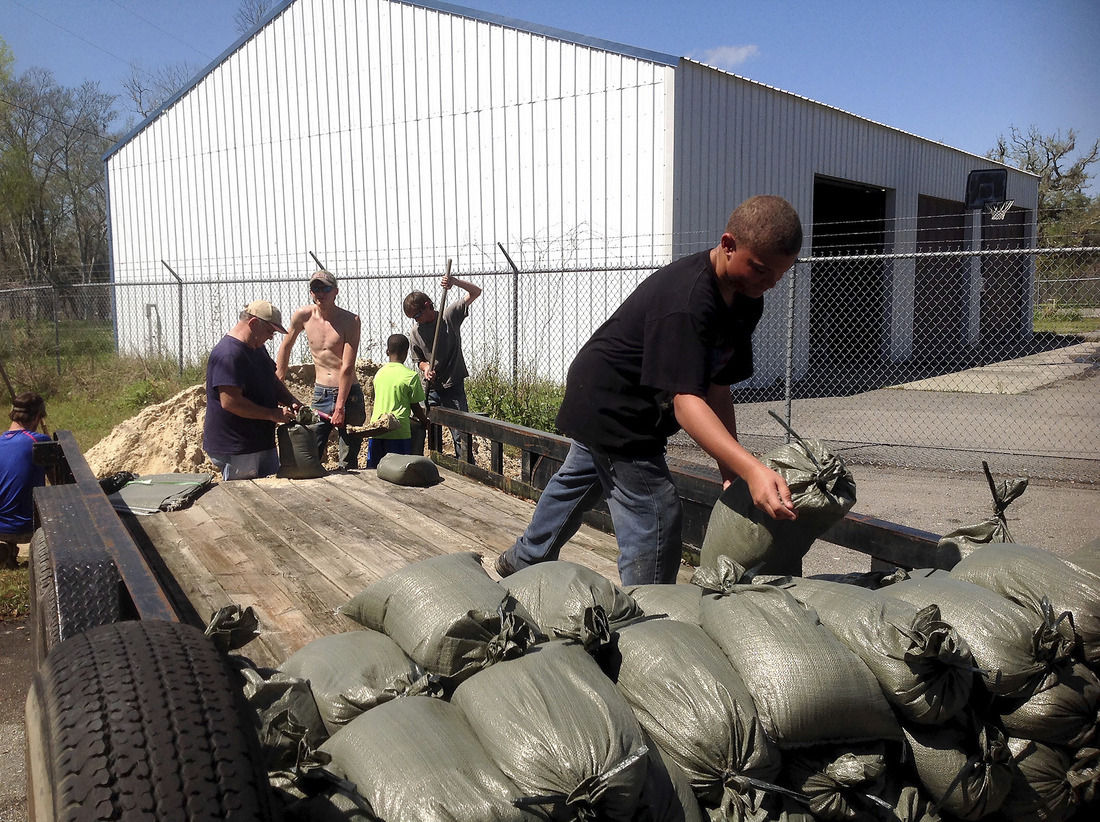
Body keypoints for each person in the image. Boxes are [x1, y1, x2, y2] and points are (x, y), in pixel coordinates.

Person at [495, 195, 804, 586]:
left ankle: (524, 559)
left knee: (577, 482)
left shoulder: (747, 299)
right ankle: (647, 618)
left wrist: (732, 472)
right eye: (761, 270)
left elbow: (717, 388)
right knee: (655, 513)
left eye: (780, 274)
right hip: (613, 403)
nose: (770, 283)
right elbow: (687, 405)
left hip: (614, 394)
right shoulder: (689, 301)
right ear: (728, 245)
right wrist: (753, 470)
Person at [277, 270, 367, 470]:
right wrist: (278, 383)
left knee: (349, 460)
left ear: (335, 291)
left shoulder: (350, 320)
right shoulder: (303, 316)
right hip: (321, 393)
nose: (320, 293)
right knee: (310, 453)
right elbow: (285, 346)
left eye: (325, 288)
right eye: (315, 288)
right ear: (310, 292)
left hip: (348, 395)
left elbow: (347, 365)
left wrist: (340, 407)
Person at [204, 300, 299, 480]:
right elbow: (231, 402)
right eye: (270, 331)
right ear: (253, 323)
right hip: (238, 447)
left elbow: (271, 379)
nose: (271, 337)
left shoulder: (256, 347)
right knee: (245, 502)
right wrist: (273, 414)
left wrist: (291, 400)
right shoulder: (229, 354)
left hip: (260, 444)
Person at [404, 271, 481, 459]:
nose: (417, 320)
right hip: (431, 388)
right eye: (414, 318)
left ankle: (466, 468)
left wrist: (455, 282)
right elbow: (419, 360)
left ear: (428, 305)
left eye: (418, 315)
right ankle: (432, 463)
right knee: (429, 430)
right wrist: (426, 368)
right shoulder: (415, 332)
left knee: (460, 433)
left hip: (453, 385)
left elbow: (476, 292)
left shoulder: (449, 317)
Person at [0, 393, 50, 568]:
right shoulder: (39, 442)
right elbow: (61, 483)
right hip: (28, 527)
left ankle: (7, 549)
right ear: (37, 417)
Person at [367, 334, 429, 469]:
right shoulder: (410, 376)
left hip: (376, 429)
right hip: (399, 431)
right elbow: (415, 406)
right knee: (398, 471)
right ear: (406, 352)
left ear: (387, 351)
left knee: (374, 470)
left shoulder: (379, 374)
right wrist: (424, 421)